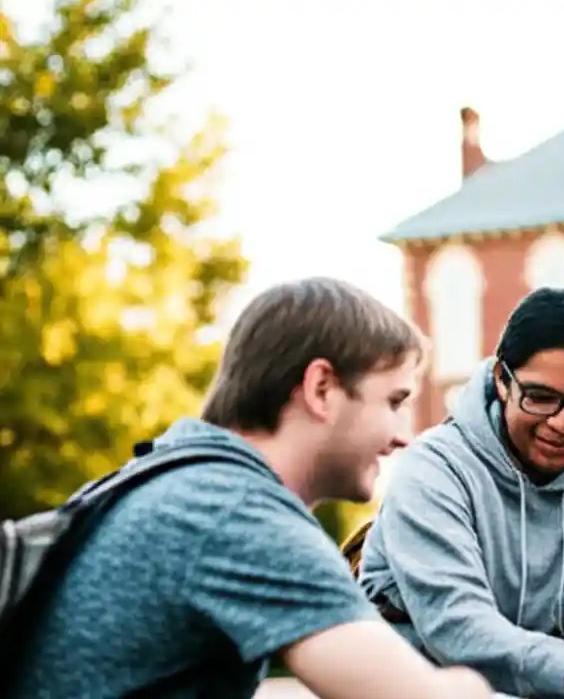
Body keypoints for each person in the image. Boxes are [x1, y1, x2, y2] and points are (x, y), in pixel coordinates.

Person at [8, 278, 491, 698]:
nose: (404, 435)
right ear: (321, 388)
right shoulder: (236, 513)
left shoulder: (171, 479)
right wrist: (471, 684)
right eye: (394, 401)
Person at [358, 287, 564, 699]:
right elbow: (456, 628)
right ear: (502, 380)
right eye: (541, 398)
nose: (563, 424)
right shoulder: (432, 469)